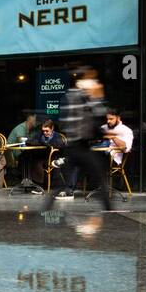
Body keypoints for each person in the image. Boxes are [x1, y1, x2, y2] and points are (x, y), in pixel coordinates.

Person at [56, 65, 112, 209]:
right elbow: (99, 113)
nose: (92, 80)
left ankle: (46, 209)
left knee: (63, 184)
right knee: (100, 178)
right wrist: (99, 94)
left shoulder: (67, 96)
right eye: (90, 78)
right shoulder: (83, 96)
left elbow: (64, 123)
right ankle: (110, 211)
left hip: (71, 145)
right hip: (82, 146)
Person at [23, 118, 68, 195]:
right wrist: (40, 142)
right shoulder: (40, 134)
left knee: (37, 162)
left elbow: (61, 146)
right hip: (42, 156)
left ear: (52, 128)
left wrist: (47, 144)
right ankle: (38, 186)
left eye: (47, 131)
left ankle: (41, 186)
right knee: (31, 160)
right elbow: (30, 141)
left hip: (53, 158)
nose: (45, 133)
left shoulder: (57, 136)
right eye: (43, 131)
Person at [5, 111, 38, 180]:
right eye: (35, 120)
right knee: (31, 156)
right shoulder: (21, 128)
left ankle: (31, 179)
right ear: (30, 120)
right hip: (12, 152)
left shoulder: (31, 129)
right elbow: (22, 143)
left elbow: (34, 141)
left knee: (36, 157)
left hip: (21, 150)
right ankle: (28, 179)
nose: (37, 122)